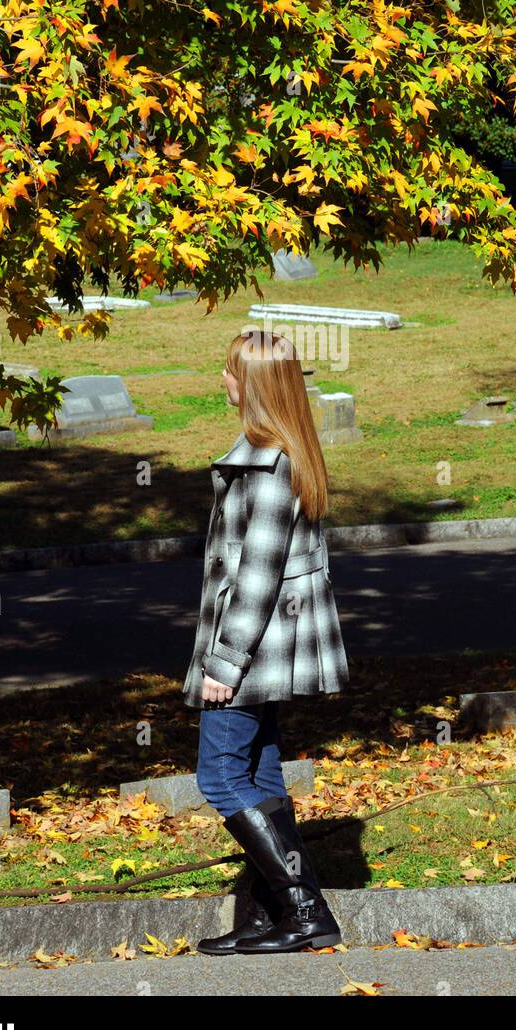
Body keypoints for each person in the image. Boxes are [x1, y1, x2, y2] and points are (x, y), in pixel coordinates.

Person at [183, 328, 350, 954]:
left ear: (250, 384)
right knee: (257, 768)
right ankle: (267, 915)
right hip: (264, 649)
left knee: (221, 776)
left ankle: (307, 912)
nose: (222, 381)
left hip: (251, 652)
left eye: (229, 372)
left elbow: (257, 575)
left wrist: (223, 662)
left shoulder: (269, 462)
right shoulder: (277, 452)